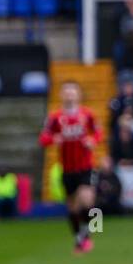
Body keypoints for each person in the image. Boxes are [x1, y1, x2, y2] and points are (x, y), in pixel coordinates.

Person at [40, 80, 103, 253]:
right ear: (61, 95)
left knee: (87, 199)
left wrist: (93, 140)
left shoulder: (87, 115)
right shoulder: (55, 118)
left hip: (86, 166)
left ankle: (90, 231)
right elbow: (43, 138)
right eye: (66, 91)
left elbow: (98, 132)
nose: (69, 94)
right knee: (73, 208)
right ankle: (79, 238)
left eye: (72, 91)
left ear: (78, 95)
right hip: (67, 169)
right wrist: (54, 139)